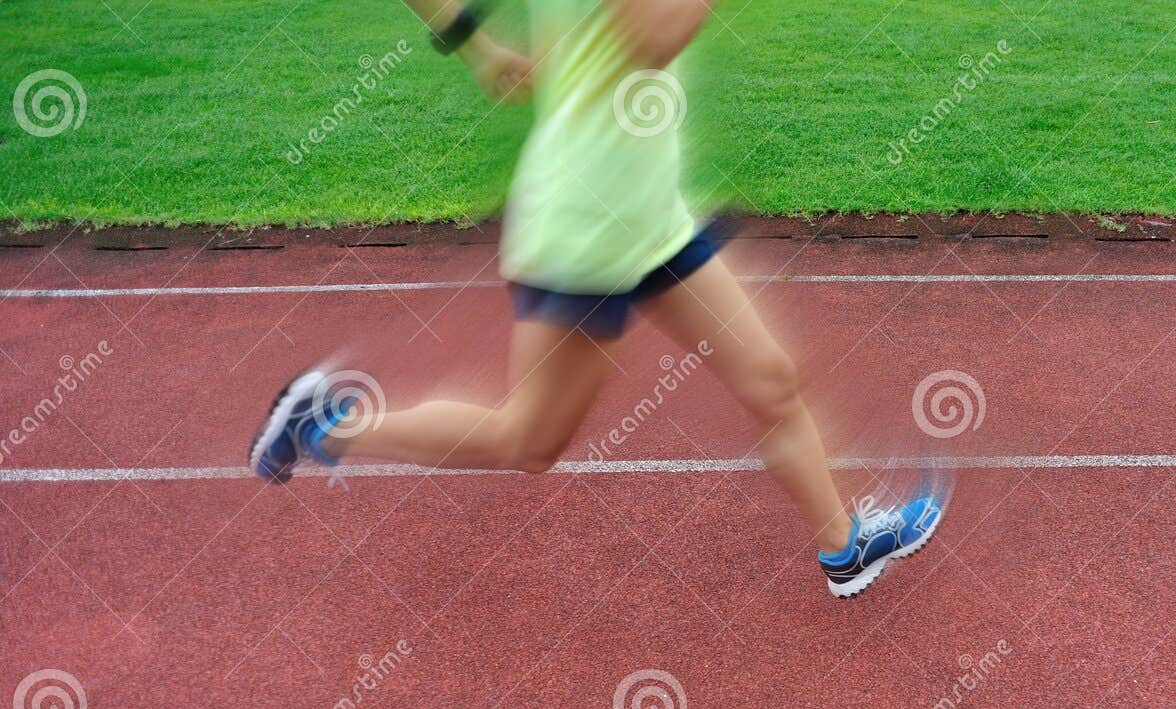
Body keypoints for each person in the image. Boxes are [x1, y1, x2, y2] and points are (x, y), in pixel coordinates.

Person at [248, 0, 941, 597]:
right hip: (587, 228)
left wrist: (477, 47)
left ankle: (842, 548)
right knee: (528, 440)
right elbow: (655, 36)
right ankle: (325, 425)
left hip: (648, 210)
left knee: (771, 381)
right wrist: (478, 47)